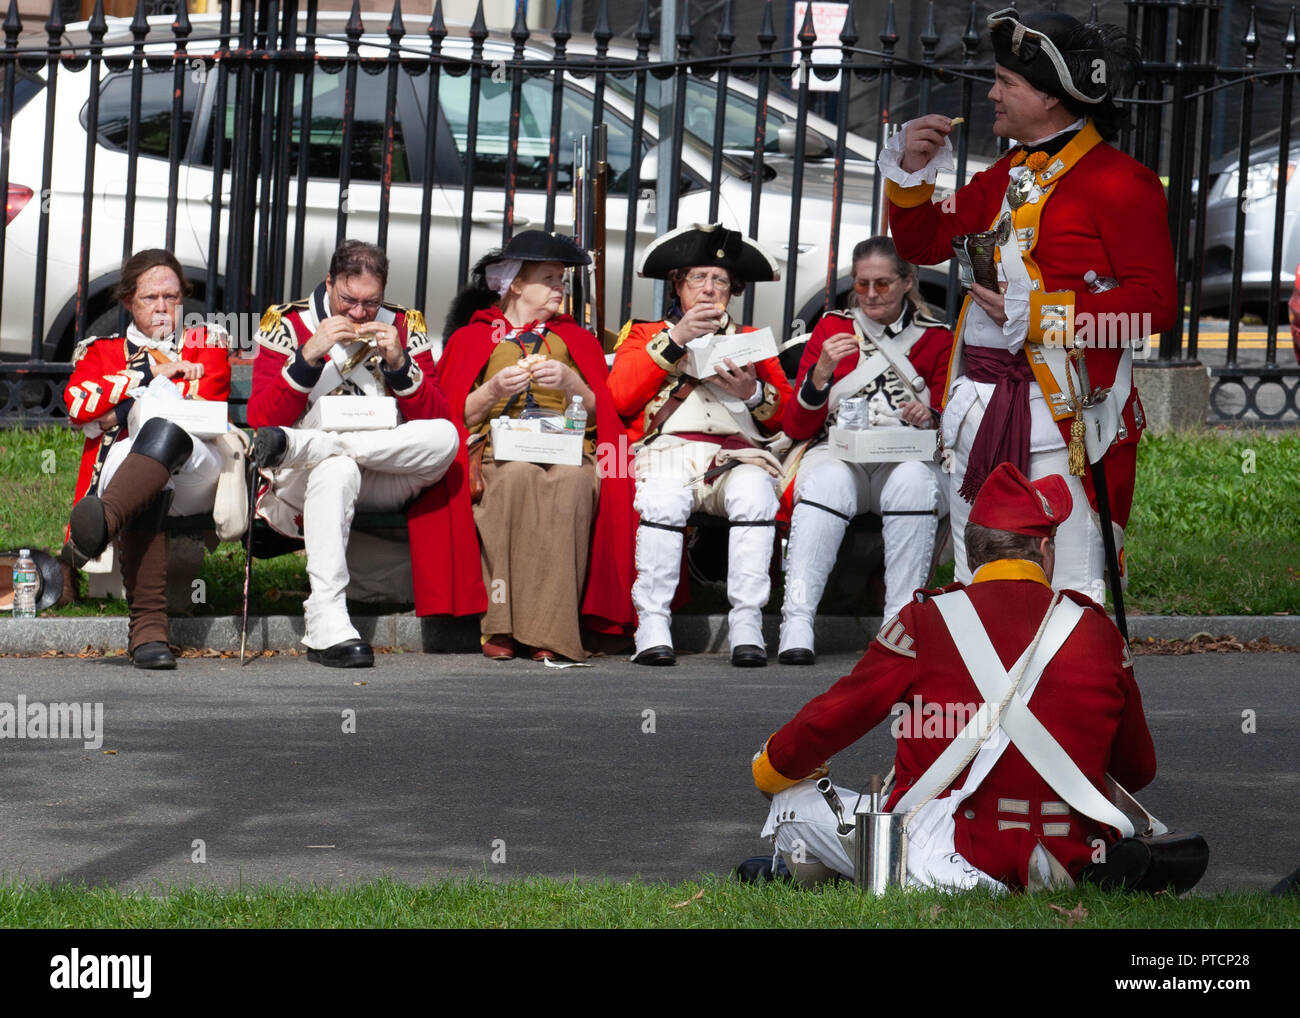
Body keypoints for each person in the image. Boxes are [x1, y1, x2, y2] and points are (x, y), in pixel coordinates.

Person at [879, 7, 1177, 605]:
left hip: (1064, 420)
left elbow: (1153, 308)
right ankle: (991, 700)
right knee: (978, 587)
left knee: (1071, 586)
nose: (991, 94)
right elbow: (924, 244)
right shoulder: (1007, 173)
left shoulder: (1122, 182)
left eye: (1005, 83)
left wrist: (1043, 316)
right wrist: (911, 175)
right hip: (978, 416)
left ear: (1051, 97)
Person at [749, 461, 1159, 891]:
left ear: (973, 552)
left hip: (956, 852)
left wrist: (773, 766)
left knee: (793, 803)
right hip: (1072, 849)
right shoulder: (1096, 629)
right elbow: (1137, 770)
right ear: (1043, 549)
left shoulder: (925, 620)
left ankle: (830, 871)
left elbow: (835, 717)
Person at [247, 240, 459, 668]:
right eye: (349, 300)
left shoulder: (404, 323)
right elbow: (261, 418)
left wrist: (400, 363)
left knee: (445, 437)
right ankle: (327, 618)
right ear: (329, 283)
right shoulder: (288, 322)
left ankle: (327, 444)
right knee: (337, 469)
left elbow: (438, 415)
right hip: (307, 476)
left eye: (371, 302)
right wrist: (309, 354)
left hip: (379, 464)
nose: (360, 313)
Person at [428, 230, 636, 660]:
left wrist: (572, 383)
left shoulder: (575, 340)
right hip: (497, 451)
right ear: (517, 284)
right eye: (550, 278)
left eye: (562, 278)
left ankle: (550, 632)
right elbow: (452, 418)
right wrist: (491, 392)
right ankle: (500, 625)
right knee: (516, 480)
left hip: (567, 448)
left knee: (573, 486)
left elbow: (603, 417)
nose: (560, 287)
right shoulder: (473, 339)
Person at [608, 223, 793, 667]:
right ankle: (652, 624)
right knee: (662, 498)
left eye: (721, 280)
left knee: (754, 494)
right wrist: (676, 340)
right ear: (678, 284)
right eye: (699, 278)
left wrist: (752, 392)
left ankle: (747, 624)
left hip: (733, 456)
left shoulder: (754, 341)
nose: (710, 289)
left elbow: (788, 415)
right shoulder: (644, 332)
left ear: (734, 289)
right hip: (667, 452)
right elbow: (620, 396)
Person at [778, 237, 954, 665]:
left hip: (908, 459)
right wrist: (820, 372)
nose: (871, 294)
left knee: (914, 483)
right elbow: (796, 426)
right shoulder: (831, 328)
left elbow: (954, 416)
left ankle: (899, 625)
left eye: (883, 284)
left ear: (907, 282)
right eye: (861, 285)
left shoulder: (936, 338)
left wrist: (930, 415)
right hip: (841, 455)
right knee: (825, 481)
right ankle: (796, 622)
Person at [63, 249, 239, 669]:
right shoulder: (100, 350)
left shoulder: (205, 341)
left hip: (199, 466)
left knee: (162, 429)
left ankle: (103, 523)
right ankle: (149, 637)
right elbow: (76, 405)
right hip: (134, 472)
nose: (163, 307)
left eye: (173, 297)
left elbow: (204, 406)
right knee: (148, 473)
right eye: (150, 298)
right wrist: (149, 375)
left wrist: (116, 411)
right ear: (128, 301)